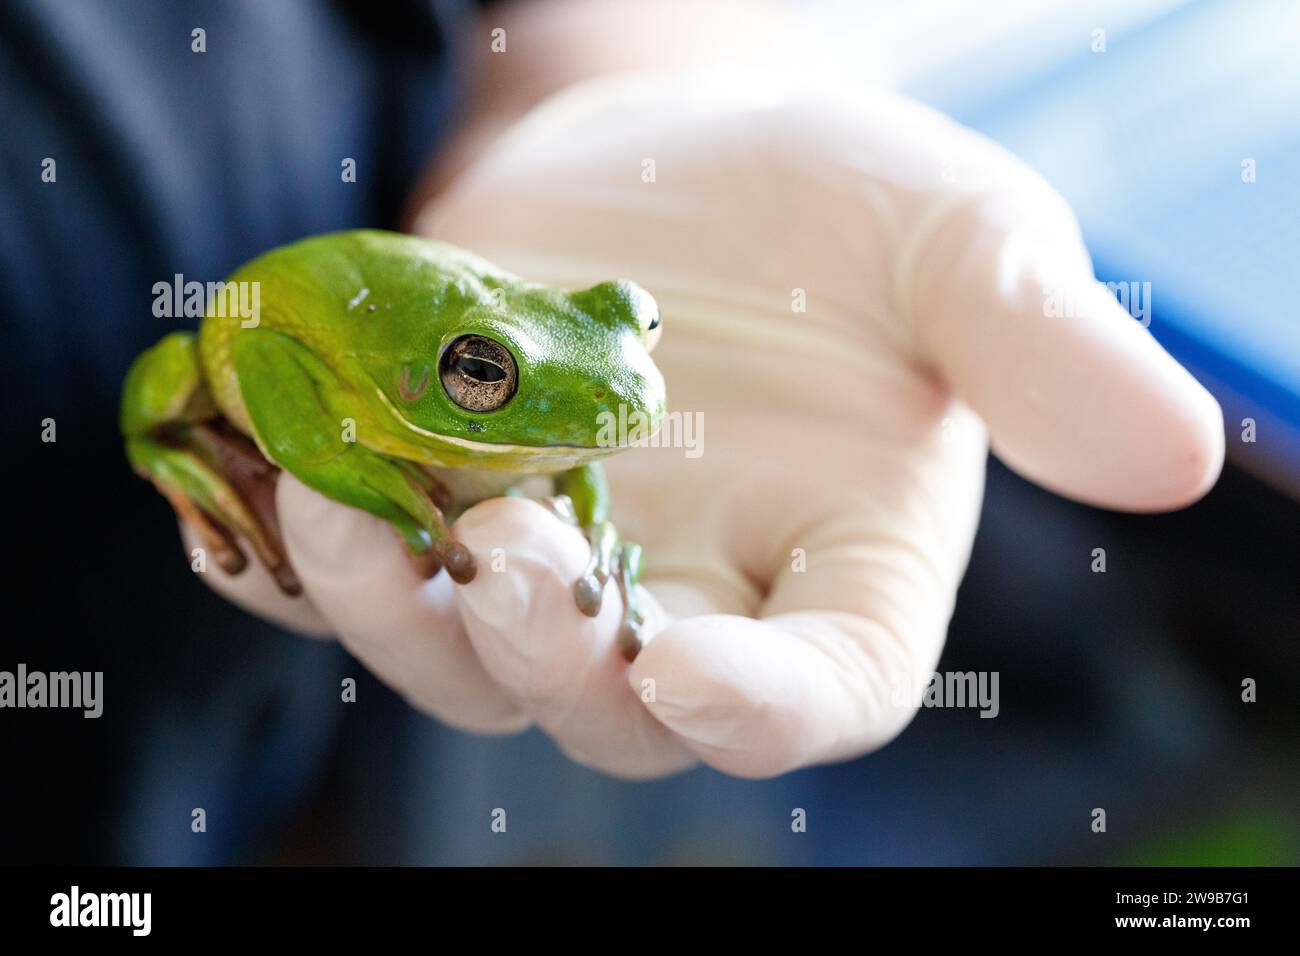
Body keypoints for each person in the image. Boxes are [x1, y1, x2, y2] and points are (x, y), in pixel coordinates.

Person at [1, 0, 1222, 861]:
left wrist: (616, 81)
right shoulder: (373, 382)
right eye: (487, 376)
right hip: (239, 380)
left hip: (198, 720)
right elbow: (254, 349)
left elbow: (578, 432)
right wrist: (371, 474)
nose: (630, 384)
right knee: (174, 392)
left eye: (630, 327)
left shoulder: (551, 392)